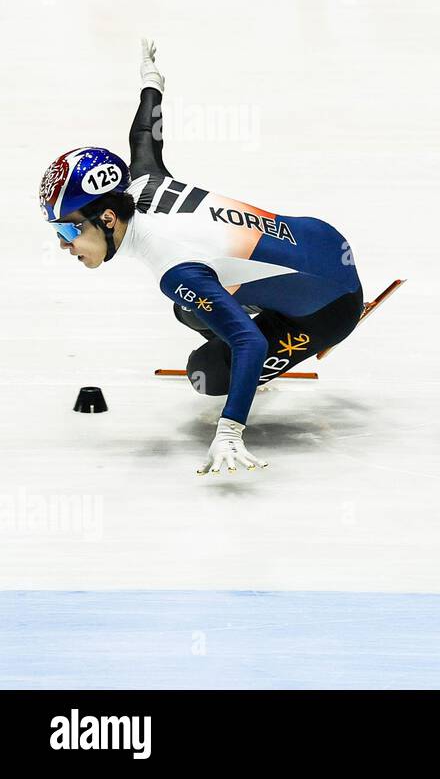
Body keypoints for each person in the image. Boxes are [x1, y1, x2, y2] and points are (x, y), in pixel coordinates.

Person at [38, 40, 364, 474]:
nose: (64, 245)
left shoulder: (173, 265)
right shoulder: (143, 183)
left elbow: (252, 341)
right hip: (321, 238)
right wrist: (151, 83)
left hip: (331, 307)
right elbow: (142, 139)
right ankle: (264, 304)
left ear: (110, 218)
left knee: (205, 374)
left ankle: (283, 331)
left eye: (67, 229)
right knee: (188, 310)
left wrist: (230, 430)